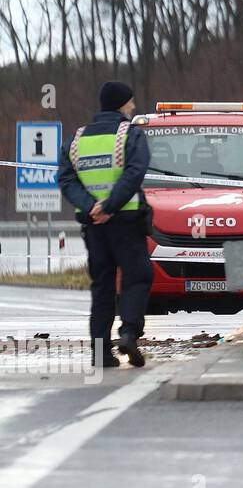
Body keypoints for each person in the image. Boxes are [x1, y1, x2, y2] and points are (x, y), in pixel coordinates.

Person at [56, 81, 153, 368]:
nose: (133, 107)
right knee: (138, 277)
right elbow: (135, 172)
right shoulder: (130, 135)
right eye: (131, 102)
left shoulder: (77, 139)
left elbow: (65, 179)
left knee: (102, 286)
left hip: (93, 225)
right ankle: (129, 332)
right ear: (122, 103)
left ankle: (100, 352)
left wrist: (91, 207)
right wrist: (109, 206)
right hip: (125, 221)